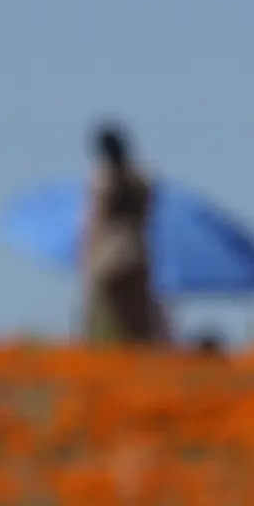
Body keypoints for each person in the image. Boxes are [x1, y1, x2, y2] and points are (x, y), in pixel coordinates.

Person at [81, 123, 169, 347]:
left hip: (107, 257)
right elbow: (148, 215)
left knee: (102, 318)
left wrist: (86, 253)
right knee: (139, 322)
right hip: (137, 253)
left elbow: (96, 221)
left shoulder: (103, 181)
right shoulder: (143, 178)